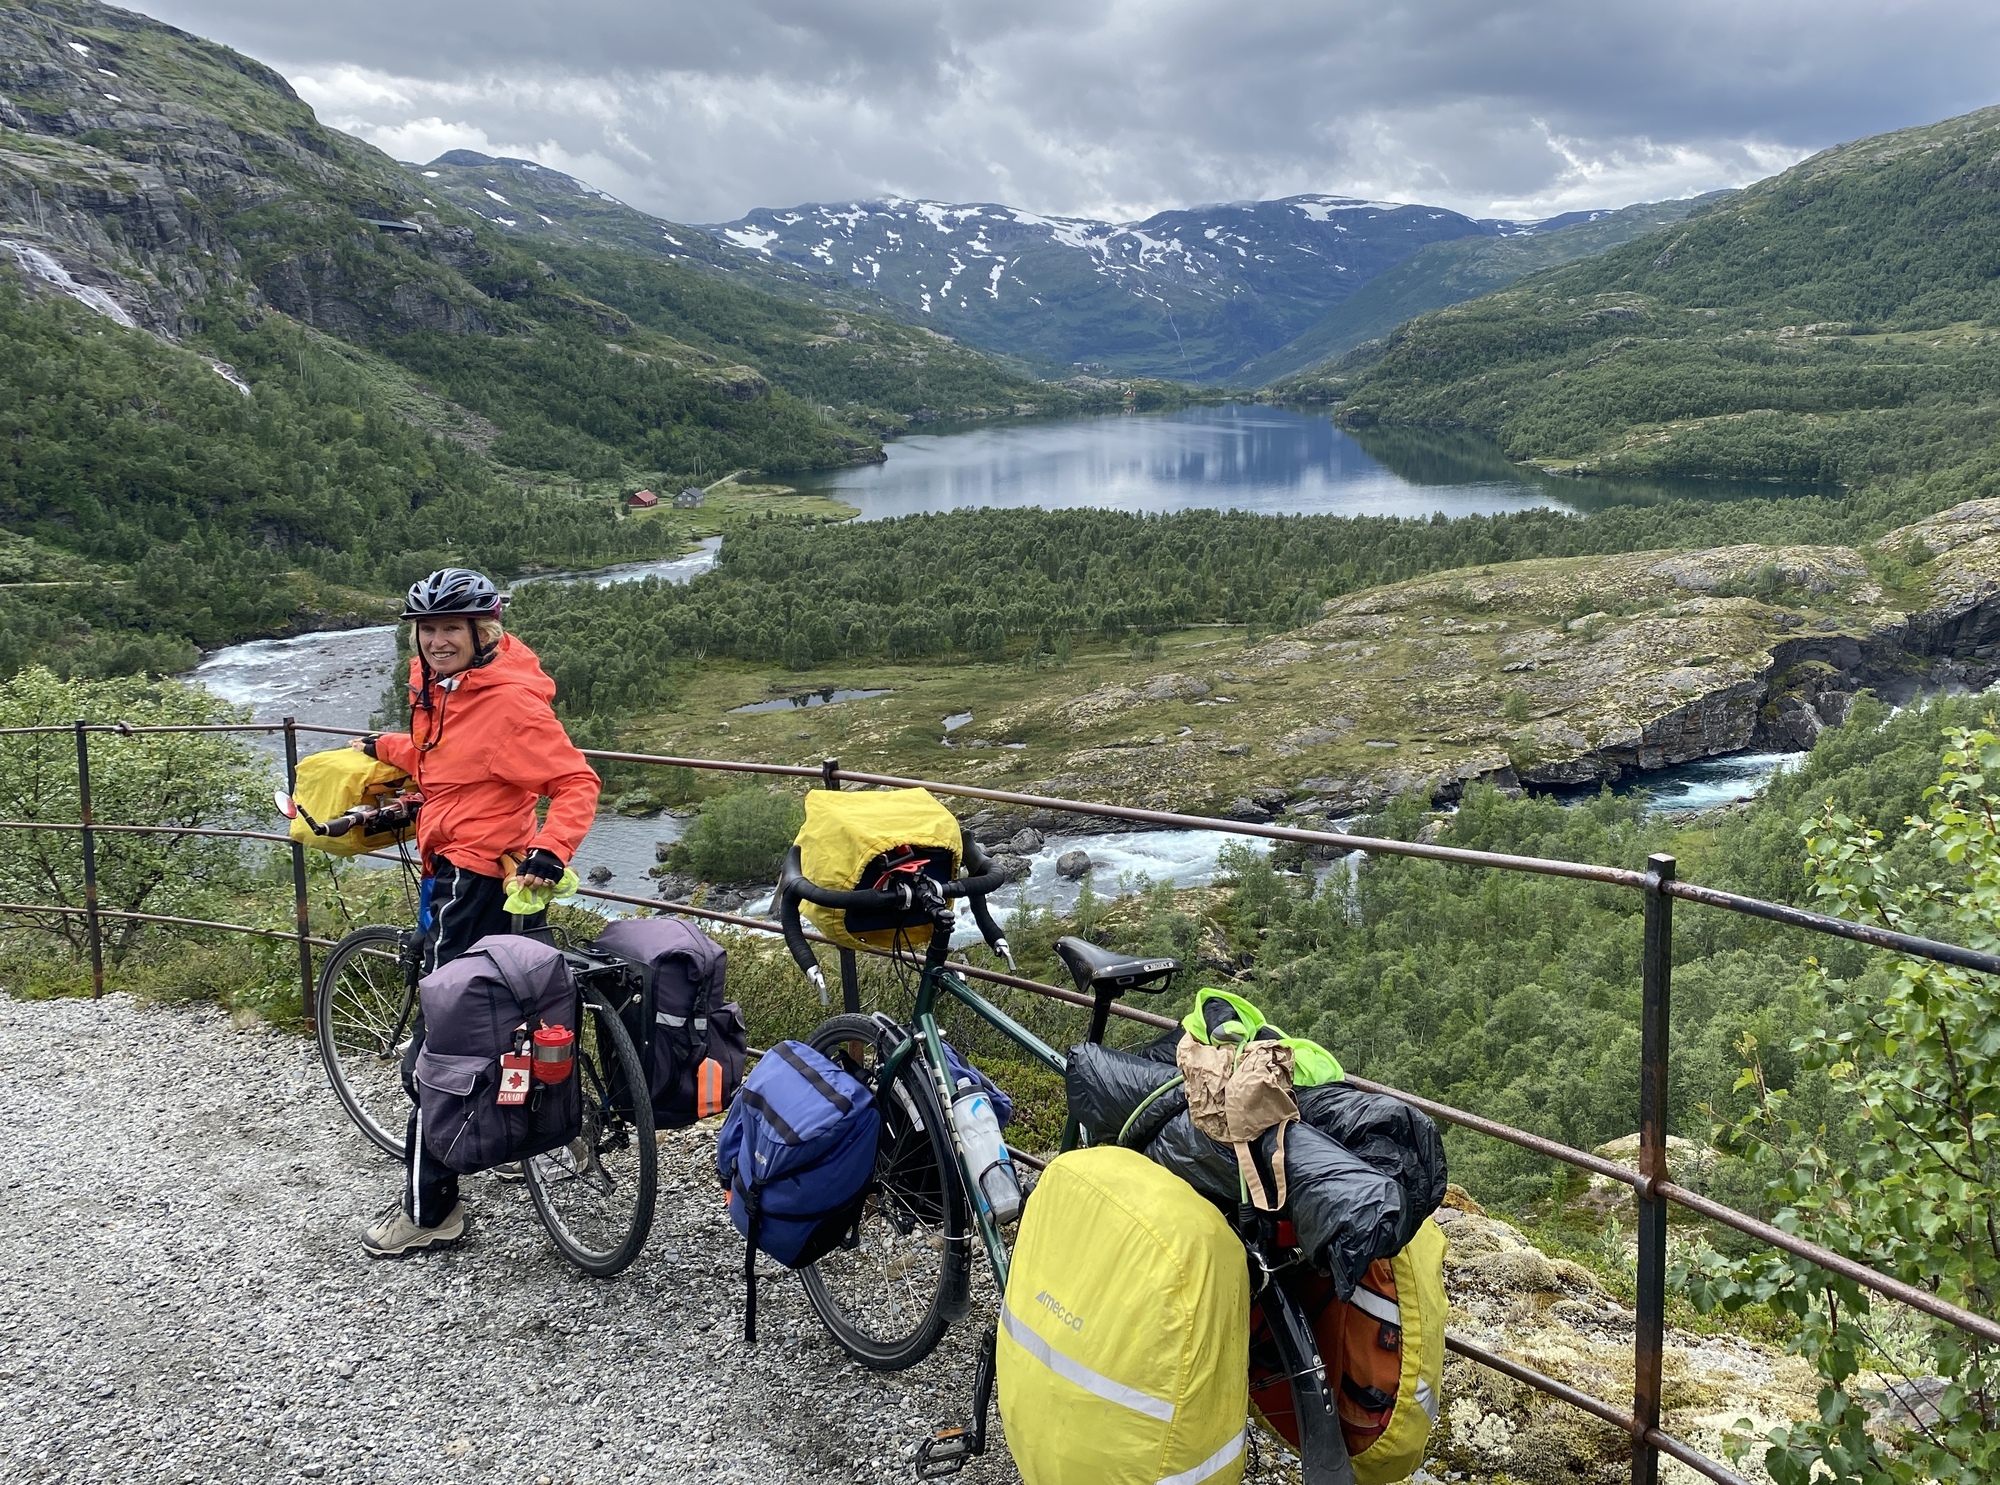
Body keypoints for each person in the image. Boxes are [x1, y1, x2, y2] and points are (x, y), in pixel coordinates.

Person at [354, 567, 601, 1257]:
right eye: (427, 629)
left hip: (479, 882)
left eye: (449, 629)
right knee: (527, 1019)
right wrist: (384, 748)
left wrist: (551, 849)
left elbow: (576, 781)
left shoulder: (511, 701)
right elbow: (445, 762)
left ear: (481, 630)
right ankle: (561, 1119)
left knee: (439, 1048)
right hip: (465, 871)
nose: (436, 640)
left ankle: (431, 1211)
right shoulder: (438, 689)